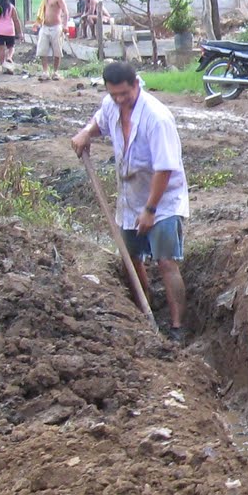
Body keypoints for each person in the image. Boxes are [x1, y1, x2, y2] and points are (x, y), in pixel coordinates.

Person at [70, 61, 190, 342]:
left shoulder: (156, 118)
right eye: (115, 95)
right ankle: (144, 315)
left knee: (165, 261)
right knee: (131, 258)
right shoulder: (111, 105)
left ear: (137, 84)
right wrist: (86, 132)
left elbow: (164, 168)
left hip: (162, 201)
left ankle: (176, 328)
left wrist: (150, 210)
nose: (120, 100)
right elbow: (100, 121)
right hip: (130, 198)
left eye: (125, 94)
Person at [36, 0, 68, 80]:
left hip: (56, 27)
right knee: (42, 50)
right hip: (45, 27)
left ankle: (55, 72)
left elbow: (65, 12)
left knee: (57, 51)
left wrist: (65, 25)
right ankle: (45, 72)